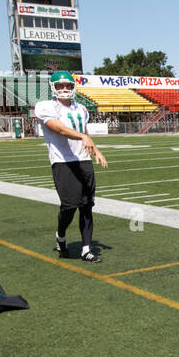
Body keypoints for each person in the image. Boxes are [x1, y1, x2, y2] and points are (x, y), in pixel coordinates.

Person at [33, 70, 107, 262]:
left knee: (87, 206)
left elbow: (84, 131)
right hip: (62, 161)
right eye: (60, 85)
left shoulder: (81, 108)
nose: (64, 89)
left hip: (83, 160)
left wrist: (95, 149)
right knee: (69, 207)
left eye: (68, 85)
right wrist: (83, 136)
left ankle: (86, 249)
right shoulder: (46, 106)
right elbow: (60, 129)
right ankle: (61, 235)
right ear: (53, 87)